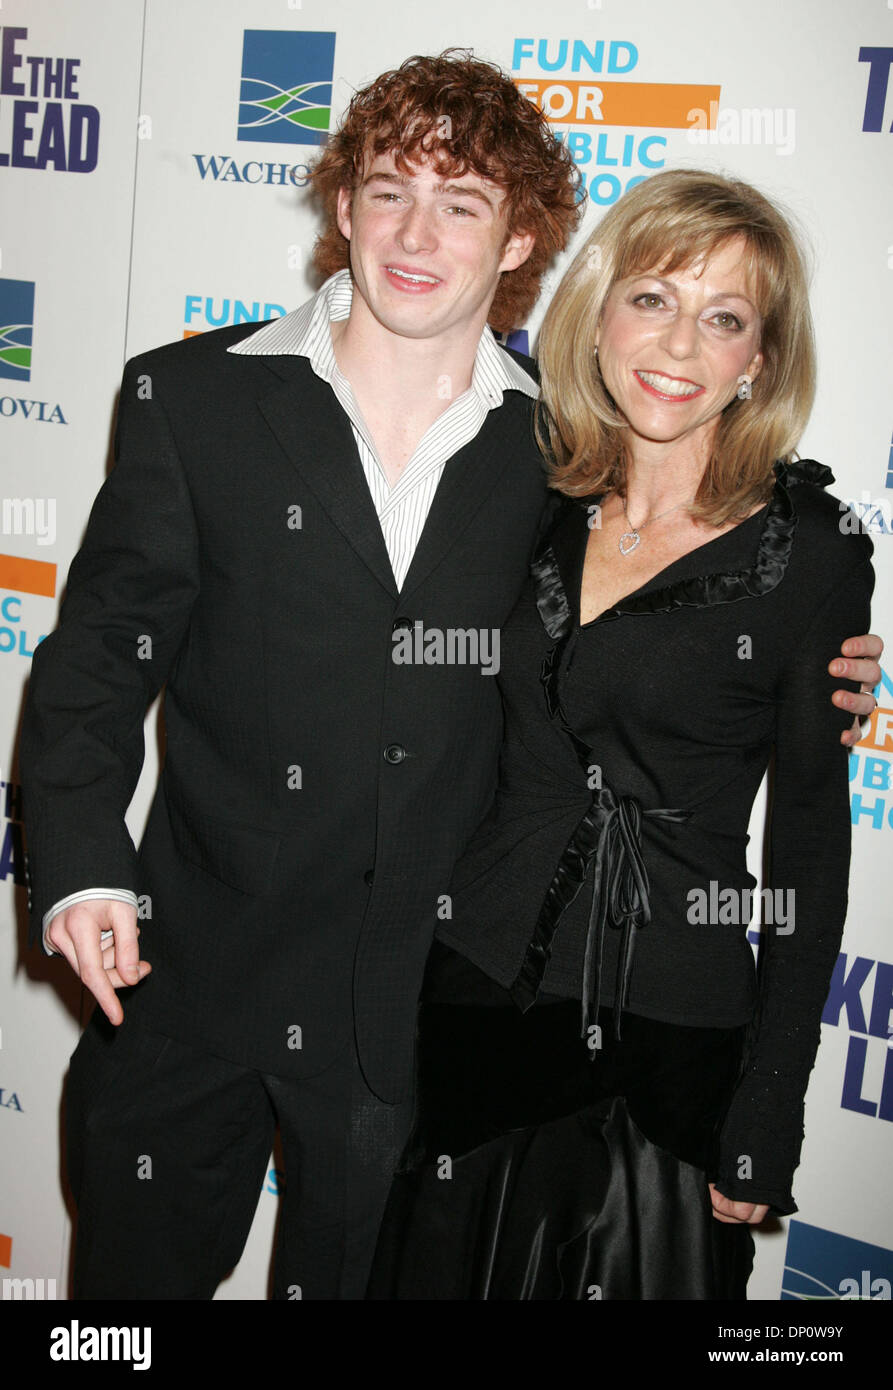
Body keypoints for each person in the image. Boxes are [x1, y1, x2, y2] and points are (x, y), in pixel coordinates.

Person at [19, 55, 879, 1301]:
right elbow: (98, 653)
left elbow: (687, 601)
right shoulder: (192, 397)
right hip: (185, 982)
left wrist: (821, 657)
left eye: (462, 201)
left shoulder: (562, 449)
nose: (416, 234)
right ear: (341, 207)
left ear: (520, 235)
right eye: (387, 191)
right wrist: (84, 856)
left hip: (412, 1024)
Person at [367, 168, 877, 1300]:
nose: (679, 345)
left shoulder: (812, 554)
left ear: (758, 360)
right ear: (596, 315)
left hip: (667, 1043)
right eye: (652, 298)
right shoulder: (524, 499)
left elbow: (807, 845)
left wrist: (768, 1103)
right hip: (470, 1013)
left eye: (724, 318)